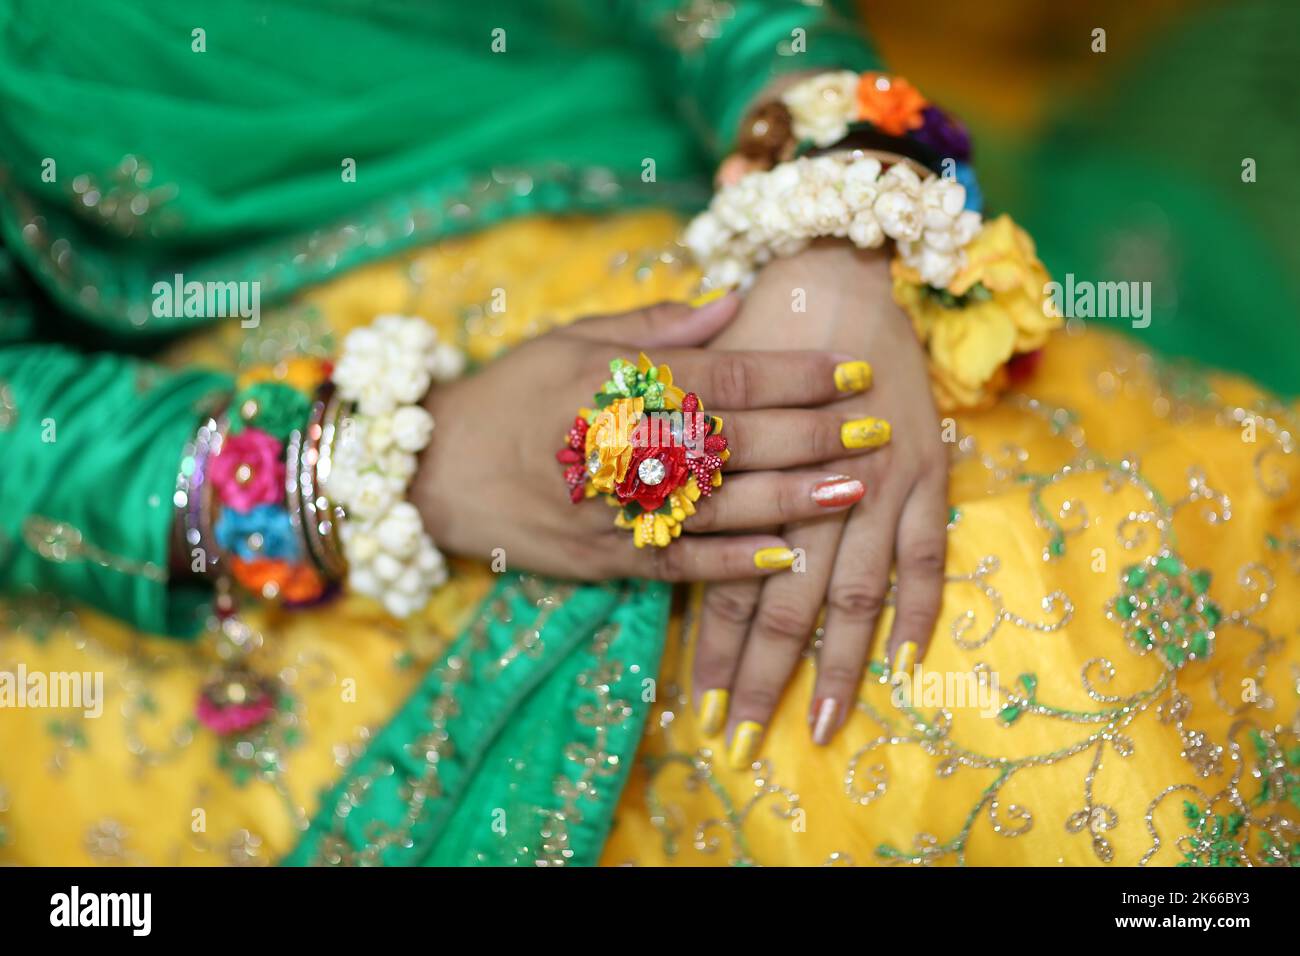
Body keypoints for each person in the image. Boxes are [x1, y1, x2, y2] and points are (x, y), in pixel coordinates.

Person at [0, 1, 1295, 867]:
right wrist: (403, 460)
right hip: (226, 415)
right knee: (951, 691)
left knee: (1099, 547)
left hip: (671, 177)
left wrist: (827, 191)